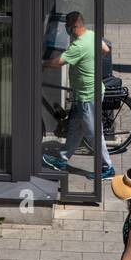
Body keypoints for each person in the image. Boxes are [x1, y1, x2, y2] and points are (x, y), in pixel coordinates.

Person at [42, 11, 115, 179]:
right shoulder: (92, 35)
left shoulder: (79, 46)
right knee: (75, 128)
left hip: (87, 97)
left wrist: (42, 63)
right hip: (92, 92)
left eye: (67, 27)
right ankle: (62, 159)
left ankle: (107, 168)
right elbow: (105, 49)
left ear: (74, 26)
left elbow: (58, 62)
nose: (66, 30)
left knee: (93, 134)